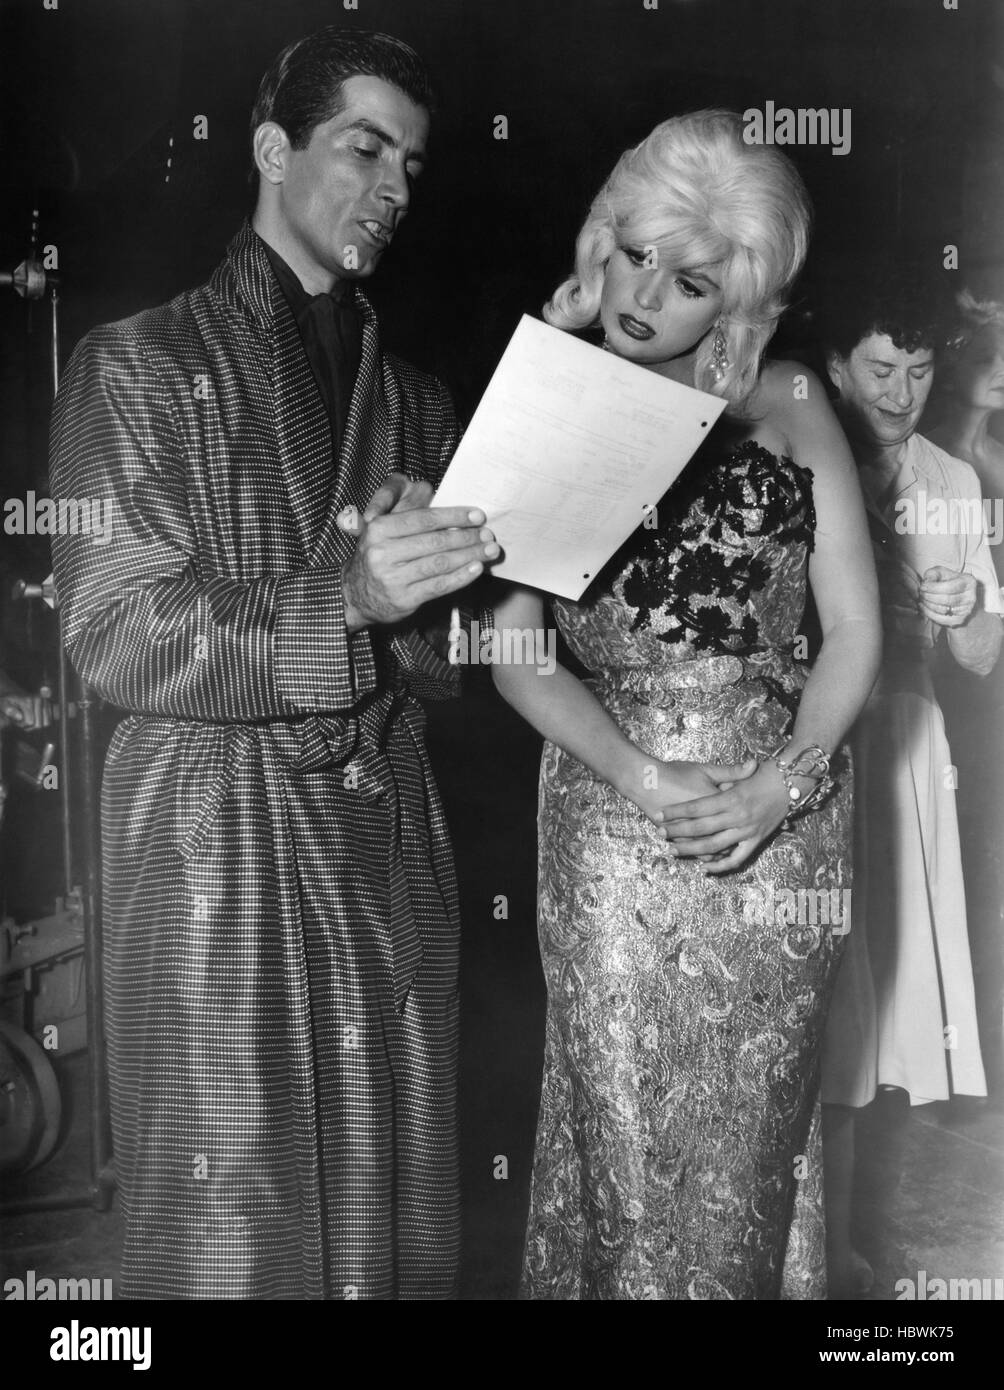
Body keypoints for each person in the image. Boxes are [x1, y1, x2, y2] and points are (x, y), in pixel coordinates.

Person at [48, 29, 498, 1300]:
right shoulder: (135, 364)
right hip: (215, 849)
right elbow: (114, 627)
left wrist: (440, 591)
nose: (394, 188)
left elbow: (441, 669)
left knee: (387, 1227)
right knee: (234, 1230)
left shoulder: (416, 400)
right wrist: (344, 595)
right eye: (364, 148)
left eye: (412, 164)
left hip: (385, 845)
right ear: (269, 148)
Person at [490, 109, 881, 1299]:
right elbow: (512, 653)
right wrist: (647, 777)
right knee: (625, 1152)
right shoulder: (549, 402)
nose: (645, 295)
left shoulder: (789, 399)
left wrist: (779, 786)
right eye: (633, 254)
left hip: (782, 829)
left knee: (754, 1152)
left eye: (691, 280)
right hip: (612, 828)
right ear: (600, 241)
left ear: (737, 299)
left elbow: (855, 633)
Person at [819, 270, 1003, 1296]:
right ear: (837, 368)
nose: (899, 393)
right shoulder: (803, 459)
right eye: (880, 370)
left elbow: (977, 658)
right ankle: (817, 1246)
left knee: (885, 1004)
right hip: (821, 745)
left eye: (920, 371)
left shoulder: (953, 480)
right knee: (827, 996)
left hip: (910, 745)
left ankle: (843, 1247)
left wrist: (966, 604)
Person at [927, 294, 1004, 1097]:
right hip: (935, 677)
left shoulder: (987, 462)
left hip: (984, 668)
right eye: (987, 355)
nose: (1003, 369)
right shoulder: (934, 464)